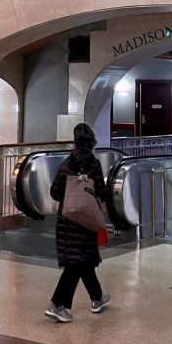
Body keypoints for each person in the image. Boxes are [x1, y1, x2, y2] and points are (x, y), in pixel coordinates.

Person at [45, 123, 111, 323]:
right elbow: (101, 190)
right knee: (77, 263)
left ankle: (97, 298)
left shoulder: (66, 164)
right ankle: (57, 304)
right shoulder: (94, 165)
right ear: (91, 144)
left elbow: (55, 192)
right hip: (86, 220)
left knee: (82, 261)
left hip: (67, 220)